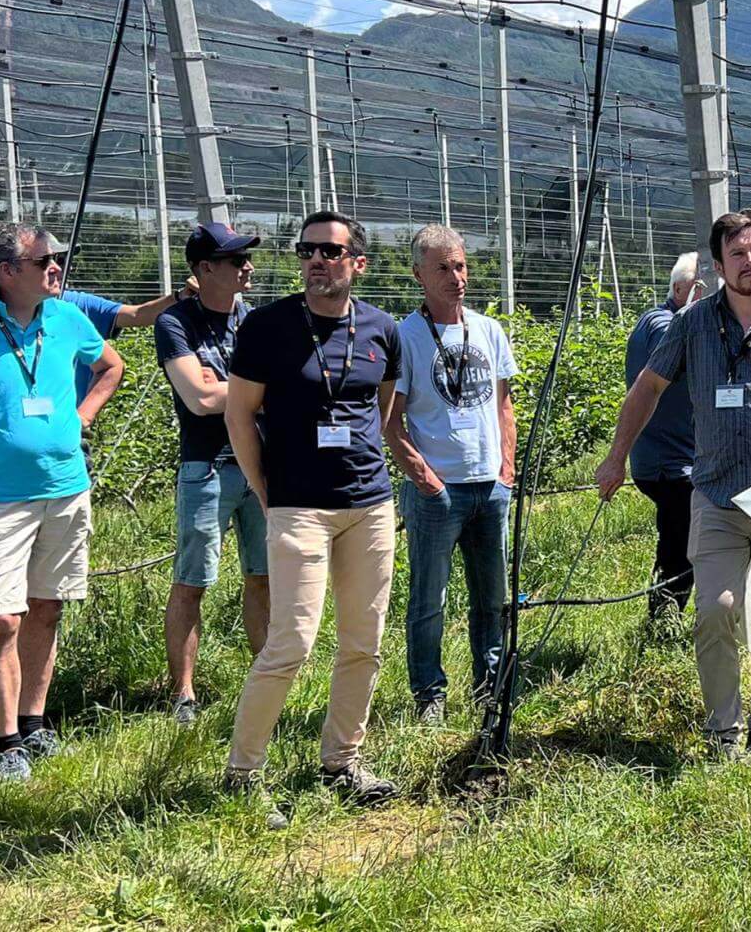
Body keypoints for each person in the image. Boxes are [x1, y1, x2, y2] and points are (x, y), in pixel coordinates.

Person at [595, 209, 751, 758]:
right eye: (738, 254)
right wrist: (616, 458)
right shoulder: (692, 324)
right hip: (714, 492)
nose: (750, 262)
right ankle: (722, 731)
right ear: (719, 264)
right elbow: (647, 388)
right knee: (715, 607)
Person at [0, 223, 124, 782]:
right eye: (45, 261)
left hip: (65, 488)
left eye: (57, 258)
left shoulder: (65, 317)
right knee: (2, 620)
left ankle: (35, 723)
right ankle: (7, 740)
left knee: (48, 607)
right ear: (7, 272)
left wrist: (80, 419)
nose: (57, 268)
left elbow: (111, 366)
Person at [223, 210, 403, 809]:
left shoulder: (382, 329)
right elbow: (239, 414)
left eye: (331, 251)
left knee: (364, 640)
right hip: (296, 506)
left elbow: (379, 411)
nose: (317, 261)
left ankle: (342, 762)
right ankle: (243, 774)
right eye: (307, 251)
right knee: (291, 641)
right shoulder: (269, 328)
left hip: (369, 506)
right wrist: (264, 488)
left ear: (358, 263)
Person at [384, 224, 520, 725]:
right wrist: (425, 478)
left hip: (490, 486)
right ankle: (429, 695)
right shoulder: (405, 337)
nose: (456, 276)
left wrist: (506, 467)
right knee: (429, 599)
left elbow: (504, 405)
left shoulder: (488, 330)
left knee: (492, 598)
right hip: (436, 491)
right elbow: (390, 419)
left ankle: (490, 686)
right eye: (443, 267)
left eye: (460, 265)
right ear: (419, 274)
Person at [154, 223, 269, 725]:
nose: (246, 266)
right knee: (192, 580)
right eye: (234, 259)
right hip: (207, 469)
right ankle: (183, 695)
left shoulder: (258, 322)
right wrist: (259, 387)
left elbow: (218, 389)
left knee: (264, 577)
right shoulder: (175, 323)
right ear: (204, 270)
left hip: (262, 464)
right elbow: (198, 400)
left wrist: (226, 385)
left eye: (246, 257)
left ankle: (267, 681)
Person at [625, 252, 703, 625]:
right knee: (682, 545)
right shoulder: (660, 321)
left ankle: (666, 616)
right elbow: (670, 343)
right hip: (668, 461)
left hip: (670, 457)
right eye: (699, 288)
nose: (706, 295)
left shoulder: (662, 319)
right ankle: (663, 621)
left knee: (678, 539)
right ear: (678, 289)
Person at [54, 269, 193, 401]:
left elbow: (137, 314)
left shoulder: (77, 305)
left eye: (66, 260)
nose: (67, 267)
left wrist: (180, 296)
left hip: (67, 422)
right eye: (50, 259)